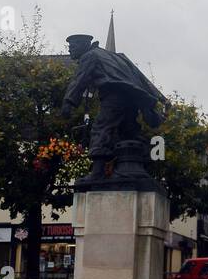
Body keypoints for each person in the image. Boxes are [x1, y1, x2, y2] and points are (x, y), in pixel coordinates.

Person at [61, 35, 166, 186]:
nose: (70, 51)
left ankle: (97, 172)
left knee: (101, 128)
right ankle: (135, 168)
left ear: (84, 45)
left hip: (114, 96)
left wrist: (68, 102)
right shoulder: (110, 55)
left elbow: (79, 80)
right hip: (130, 96)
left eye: (73, 47)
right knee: (129, 131)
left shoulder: (90, 56)